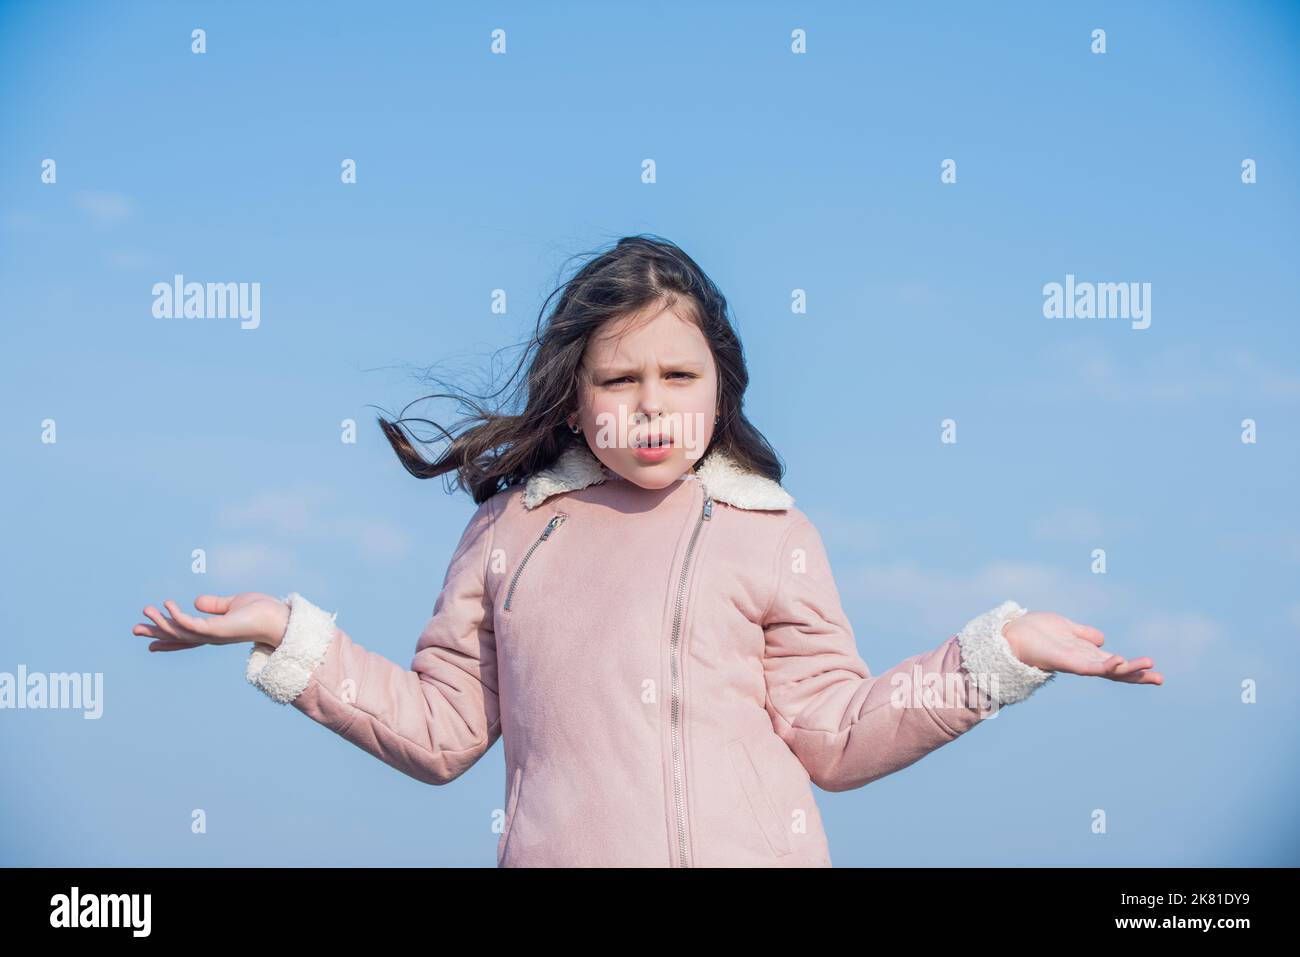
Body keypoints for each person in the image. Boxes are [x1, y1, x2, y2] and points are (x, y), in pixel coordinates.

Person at [132, 235, 1163, 867]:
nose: (652, 407)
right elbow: (440, 731)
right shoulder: (510, 532)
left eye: (679, 377)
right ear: (574, 399)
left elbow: (838, 735)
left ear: (721, 385)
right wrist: (290, 635)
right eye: (620, 381)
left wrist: (998, 656)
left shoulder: (772, 531)